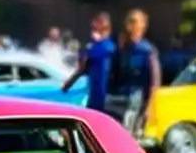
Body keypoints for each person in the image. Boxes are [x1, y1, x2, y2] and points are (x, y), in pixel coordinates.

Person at [105, 9, 161, 138]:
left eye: (134, 22)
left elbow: (154, 80)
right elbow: (114, 73)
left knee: (128, 134)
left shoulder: (147, 50)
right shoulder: (122, 48)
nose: (130, 26)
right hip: (118, 97)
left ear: (142, 25)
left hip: (135, 98)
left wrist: (150, 106)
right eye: (129, 22)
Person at [62, 12, 115, 114]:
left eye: (96, 26)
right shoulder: (94, 45)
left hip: (105, 95)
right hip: (95, 94)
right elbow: (82, 67)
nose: (93, 28)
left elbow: (82, 67)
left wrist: (68, 84)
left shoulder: (108, 47)